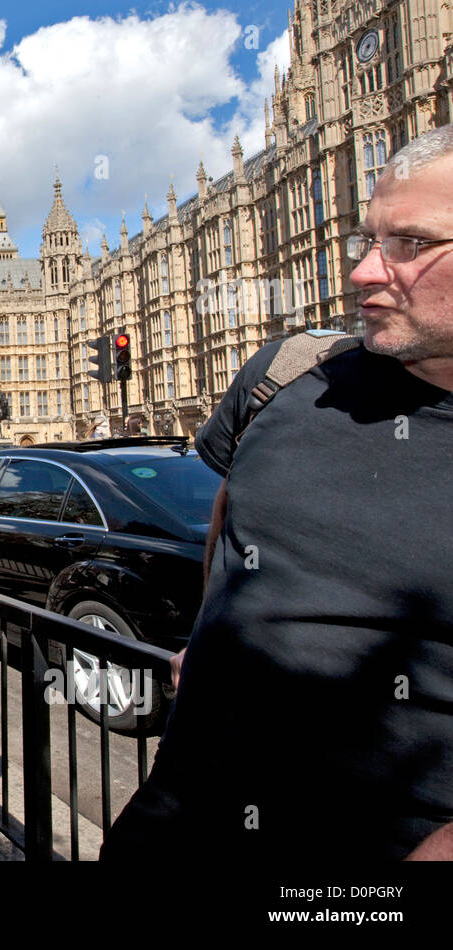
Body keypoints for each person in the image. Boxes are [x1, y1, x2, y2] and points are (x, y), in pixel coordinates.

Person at [103, 126, 453, 862]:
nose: (361, 273)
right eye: (367, 238)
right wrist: (207, 632)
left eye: (411, 245)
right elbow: (233, 512)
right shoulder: (287, 374)